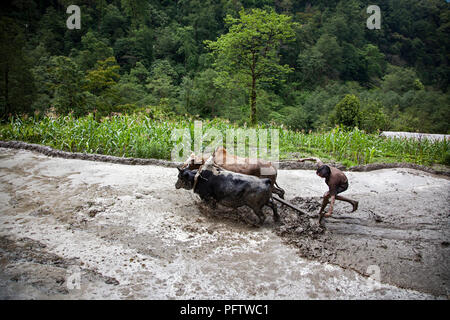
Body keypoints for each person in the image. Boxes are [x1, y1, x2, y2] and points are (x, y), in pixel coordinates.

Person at [298, 157, 358, 223]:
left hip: (342, 185)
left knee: (326, 195)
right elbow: (316, 158)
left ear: (326, 176)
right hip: (339, 179)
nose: (318, 175)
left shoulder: (332, 181)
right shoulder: (323, 167)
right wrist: (304, 159)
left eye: (320, 175)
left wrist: (330, 211)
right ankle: (352, 202)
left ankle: (321, 211)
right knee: (328, 195)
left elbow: (332, 198)